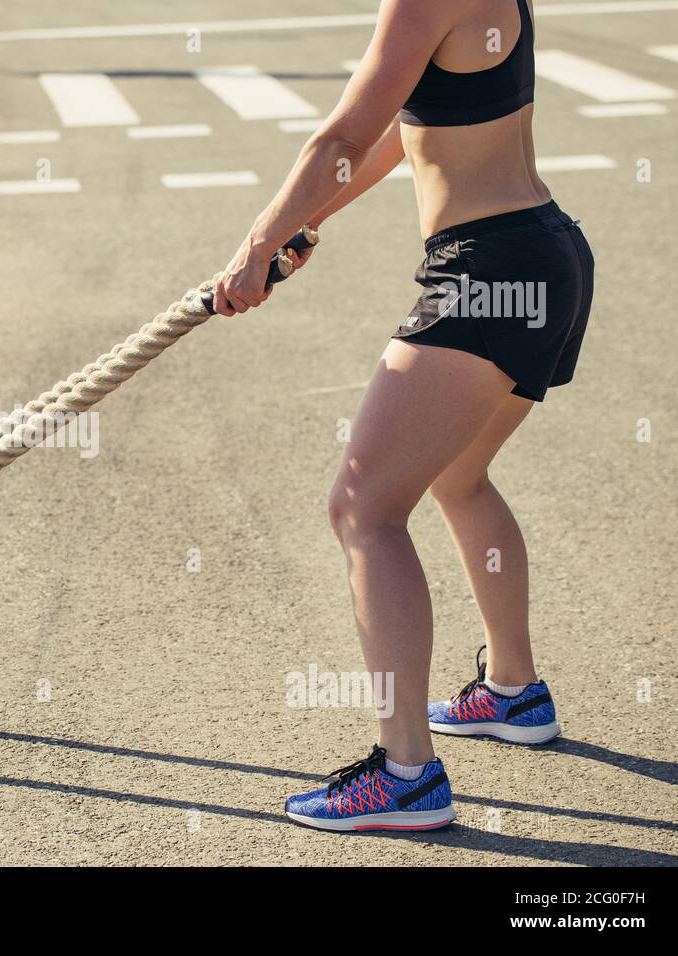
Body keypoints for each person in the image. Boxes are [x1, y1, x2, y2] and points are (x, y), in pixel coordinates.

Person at [213, 0, 593, 832]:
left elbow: (340, 140)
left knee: (363, 507)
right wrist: (306, 220)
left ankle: (408, 774)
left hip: (488, 269)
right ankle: (513, 692)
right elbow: (399, 127)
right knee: (458, 473)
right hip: (547, 254)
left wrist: (254, 245)